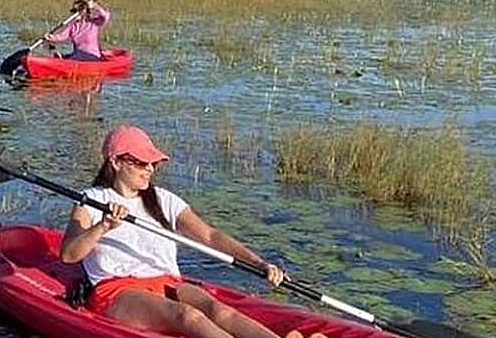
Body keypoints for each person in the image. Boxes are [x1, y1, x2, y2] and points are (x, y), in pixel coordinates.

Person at [60, 126, 320, 338]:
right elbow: (70, 254)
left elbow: (210, 236)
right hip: (116, 290)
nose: (150, 169)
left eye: (153, 163)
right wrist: (103, 226)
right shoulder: (92, 199)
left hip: (166, 282)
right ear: (116, 162)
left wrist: (258, 262)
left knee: (219, 311)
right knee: (188, 316)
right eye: (141, 163)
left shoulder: (164, 199)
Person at [44, 0, 111, 60]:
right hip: (77, 56)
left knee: (72, 57)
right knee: (63, 56)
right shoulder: (73, 27)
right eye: (74, 11)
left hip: (92, 56)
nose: (74, 13)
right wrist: (50, 37)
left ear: (85, 12)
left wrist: (95, 6)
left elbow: (106, 16)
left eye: (77, 11)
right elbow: (61, 37)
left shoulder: (93, 23)